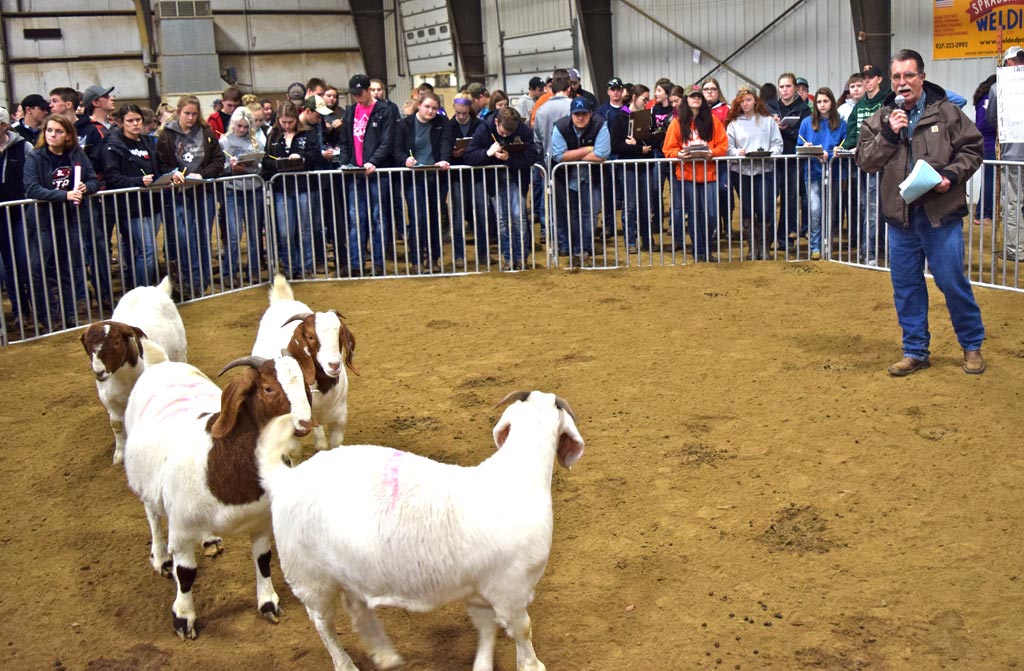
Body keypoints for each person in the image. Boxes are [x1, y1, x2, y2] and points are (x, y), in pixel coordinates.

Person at [857, 49, 986, 376]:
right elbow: (865, 161)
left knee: (950, 281)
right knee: (906, 287)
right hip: (900, 220)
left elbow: (973, 148)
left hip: (940, 215)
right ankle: (915, 350)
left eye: (909, 76)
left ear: (921, 78)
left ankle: (972, 345)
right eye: (897, 77)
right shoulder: (880, 118)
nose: (902, 83)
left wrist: (951, 176)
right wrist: (888, 134)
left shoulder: (946, 113)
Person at [23, 114, 100, 329]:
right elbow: (32, 188)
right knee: (39, 270)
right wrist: (64, 195)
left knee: (70, 267)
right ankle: (47, 316)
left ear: (67, 135)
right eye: (49, 131)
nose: (52, 135)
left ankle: (69, 314)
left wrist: (86, 187)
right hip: (42, 221)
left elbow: (93, 179)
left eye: (58, 131)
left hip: (71, 219)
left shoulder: (77, 155)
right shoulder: (35, 158)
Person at [156, 94, 225, 299]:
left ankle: (202, 281)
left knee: (203, 237)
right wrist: (173, 173)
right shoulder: (166, 135)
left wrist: (201, 174)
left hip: (202, 191)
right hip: (178, 193)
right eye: (187, 113)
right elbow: (161, 162)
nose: (191, 117)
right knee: (185, 239)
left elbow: (218, 160)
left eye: (194, 113)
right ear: (179, 112)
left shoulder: (206, 132)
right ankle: (188, 280)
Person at [464, 107, 540, 270]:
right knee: (502, 221)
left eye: (510, 133)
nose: (506, 135)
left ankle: (521, 258)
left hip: (517, 180)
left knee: (519, 218)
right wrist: (487, 153)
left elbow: (533, 155)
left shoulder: (523, 130)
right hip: (495, 183)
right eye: (503, 132)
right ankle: (508, 258)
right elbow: (469, 156)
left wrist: (509, 158)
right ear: (496, 122)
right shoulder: (484, 128)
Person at [337, 73, 395, 277]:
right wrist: (345, 163)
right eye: (354, 94)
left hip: (376, 173)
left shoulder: (383, 111)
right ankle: (356, 263)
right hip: (356, 173)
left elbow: (387, 141)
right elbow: (344, 140)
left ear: (368, 90)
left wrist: (374, 161)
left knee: (378, 217)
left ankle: (378, 263)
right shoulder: (350, 111)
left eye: (360, 93)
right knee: (356, 219)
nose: (356, 97)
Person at [663, 85, 728, 261]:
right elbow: (668, 148)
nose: (696, 99)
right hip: (687, 174)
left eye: (699, 96)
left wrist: (711, 153)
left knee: (711, 214)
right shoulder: (677, 123)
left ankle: (706, 248)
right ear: (686, 99)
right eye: (693, 96)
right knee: (693, 213)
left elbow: (723, 145)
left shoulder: (713, 121)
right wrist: (679, 154)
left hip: (709, 174)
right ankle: (699, 251)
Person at [100, 103, 162, 289]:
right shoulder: (112, 146)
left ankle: (134, 283)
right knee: (147, 250)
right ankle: (141, 290)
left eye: (137, 120)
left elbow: (157, 167)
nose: (135, 124)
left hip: (151, 202)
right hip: (130, 206)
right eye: (130, 121)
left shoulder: (148, 142)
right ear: (121, 122)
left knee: (138, 249)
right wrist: (137, 181)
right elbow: (112, 176)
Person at [260, 101, 320, 279]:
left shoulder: (308, 133)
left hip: (303, 187)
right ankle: (289, 267)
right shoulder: (273, 136)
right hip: (281, 189)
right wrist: (279, 163)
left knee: (305, 229)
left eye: (290, 122)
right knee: (285, 231)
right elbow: (266, 160)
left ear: (296, 119)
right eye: (283, 122)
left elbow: (315, 155)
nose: (286, 125)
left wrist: (301, 158)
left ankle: (307, 267)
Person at [392, 92, 450, 273]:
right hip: (414, 179)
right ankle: (417, 260)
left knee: (434, 218)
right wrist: (405, 161)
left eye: (434, 108)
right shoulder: (404, 125)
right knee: (418, 219)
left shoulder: (443, 124)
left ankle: (433, 259)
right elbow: (397, 150)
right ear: (419, 106)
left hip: (436, 178)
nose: (430, 111)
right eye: (427, 107)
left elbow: (446, 145)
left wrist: (444, 159)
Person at [549, 96, 611, 264]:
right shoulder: (561, 127)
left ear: (590, 114)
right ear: (571, 115)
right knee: (570, 215)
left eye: (584, 113)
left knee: (590, 215)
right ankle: (575, 250)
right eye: (577, 114)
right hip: (566, 180)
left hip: (592, 178)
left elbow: (602, 154)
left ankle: (586, 249)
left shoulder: (600, 124)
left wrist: (573, 156)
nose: (580, 117)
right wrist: (586, 150)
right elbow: (559, 156)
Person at [725, 87, 783, 260]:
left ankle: (765, 247)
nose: (745, 104)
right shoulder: (733, 124)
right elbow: (728, 148)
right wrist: (737, 153)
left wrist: (769, 153)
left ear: (755, 101)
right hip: (742, 172)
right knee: (748, 209)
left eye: (748, 100)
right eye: (742, 101)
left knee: (765, 208)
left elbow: (777, 144)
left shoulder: (768, 121)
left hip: (764, 169)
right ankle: (752, 247)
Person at [842, 64, 890, 265]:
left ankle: (872, 251)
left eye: (870, 78)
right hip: (864, 163)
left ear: (879, 79)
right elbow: (851, 133)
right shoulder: (860, 106)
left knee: (879, 207)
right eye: (865, 78)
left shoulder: (887, 102)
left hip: (884, 164)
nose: (867, 81)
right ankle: (869, 250)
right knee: (866, 207)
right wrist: (845, 147)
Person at [797, 88, 846, 260]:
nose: (822, 105)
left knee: (830, 210)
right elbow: (799, 146)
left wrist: (830, 154)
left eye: (825, 101)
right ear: (815, 104)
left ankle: (828, 244)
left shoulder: (841, 124)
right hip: (812, 173)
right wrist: (807, 149)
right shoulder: (806, 123)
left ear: (831, 102)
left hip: (833, 173)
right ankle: (815, 246)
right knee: (815, 209)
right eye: (819, 102)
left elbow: (843, 147)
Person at [985, 46, 1024, 262]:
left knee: (1013, 202)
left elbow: (993, 119)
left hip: (1013, 153)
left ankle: (1016, 250)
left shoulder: (997, 87)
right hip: (1014, 154)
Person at [219, 106, 266, 283]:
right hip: (233, 190)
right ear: (234, 124)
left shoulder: (256, 142)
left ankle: (253, 271)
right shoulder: (224, 142)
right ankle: (229, 272)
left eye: (246, 127)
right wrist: (230, 168)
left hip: (253, 189)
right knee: (234, 234)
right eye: (239, 126)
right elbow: (218, 165)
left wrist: (251, 166)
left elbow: (261, 166)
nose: (242, 130)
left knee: (254, 234)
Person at [440, 95, 485, 267]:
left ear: (469, 111)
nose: (461, 116)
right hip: (457, 174)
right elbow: (445, 147)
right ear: (454, 109)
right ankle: (459, 255)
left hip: (477, 172)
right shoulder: (449, 126)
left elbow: (484, 145)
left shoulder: (480, 125)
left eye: (464, 113)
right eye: (458, 113)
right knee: (458, 215)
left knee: (481, 213)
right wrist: (452, 154)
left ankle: (483, 253)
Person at [768, 72, 810, 250]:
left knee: (790, 200)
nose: (785, 90)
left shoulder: (804, 109)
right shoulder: (769, 107)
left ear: (795, 89)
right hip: (772, 160)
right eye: (782, 86)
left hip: (793, 160)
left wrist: (785, 130)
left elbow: (804, 134)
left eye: (788, 86)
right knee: (768, 200)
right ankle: (767, 238)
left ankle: (785, 238)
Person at [0, 107, 32, 329]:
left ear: (4, 125)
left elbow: (31, 178)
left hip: (19, 214)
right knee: (6, 269)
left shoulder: (23, 147)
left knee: (22, 264)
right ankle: (15, 313)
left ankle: (28, 310)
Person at [972, 74, 997, 228]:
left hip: (991, 145)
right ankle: (983, 213)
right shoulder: (987, 99)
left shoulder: (985, 98)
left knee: (991, 180)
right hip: (989, 145)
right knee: (989, 180)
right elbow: (982, 124)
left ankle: (986, 212)